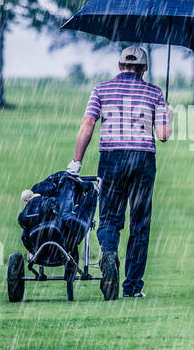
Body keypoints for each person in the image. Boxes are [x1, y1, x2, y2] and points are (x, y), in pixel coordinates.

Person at [68, 46, 172, 299]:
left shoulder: (101, 90)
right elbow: (163, 136)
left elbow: (88, 123)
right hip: (142, 160)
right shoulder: (154, 92)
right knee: (140, 223)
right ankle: (132, 287)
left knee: (109, 218)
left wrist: (76, 162)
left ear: (119, 66)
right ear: (144, 68)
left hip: (111, 158)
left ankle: (109, 254)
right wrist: (167, 114)